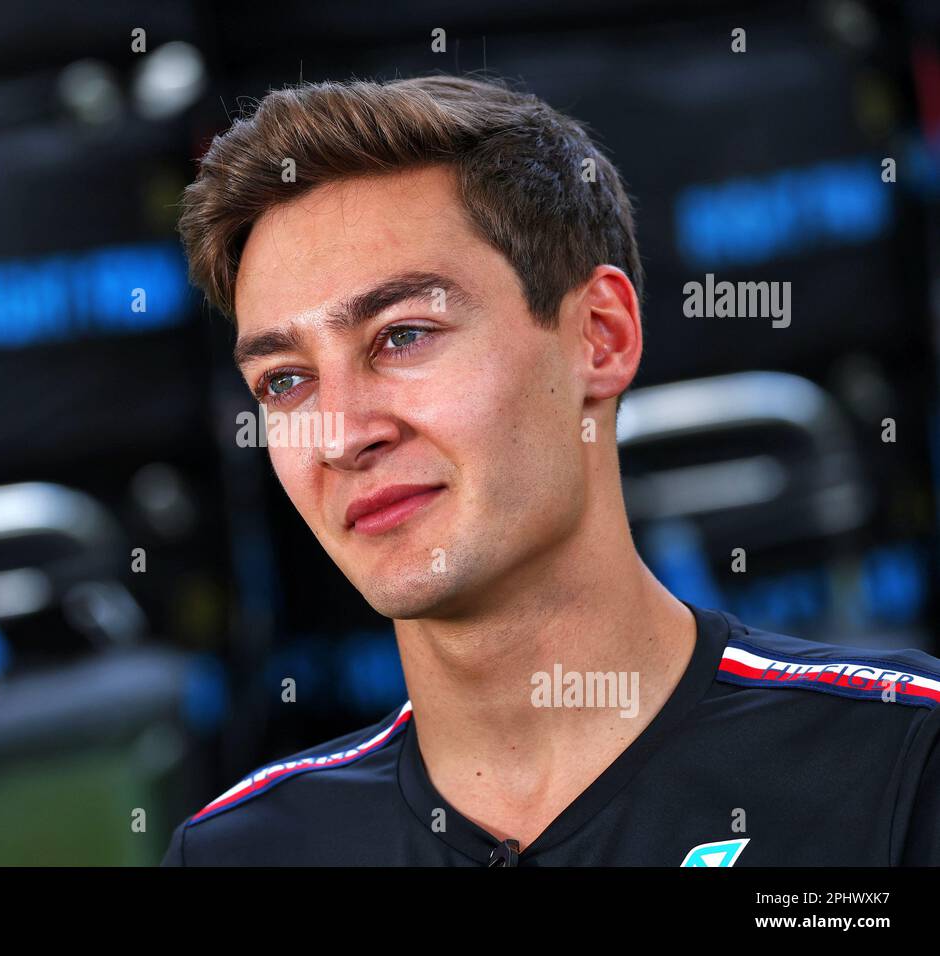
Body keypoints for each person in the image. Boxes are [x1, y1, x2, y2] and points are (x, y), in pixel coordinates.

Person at [161, 75, 940, 866]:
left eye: (403, 336)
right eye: (286, 381)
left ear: (600, 337)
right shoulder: (241, 853)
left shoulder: (901, 762)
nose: (341, 435)